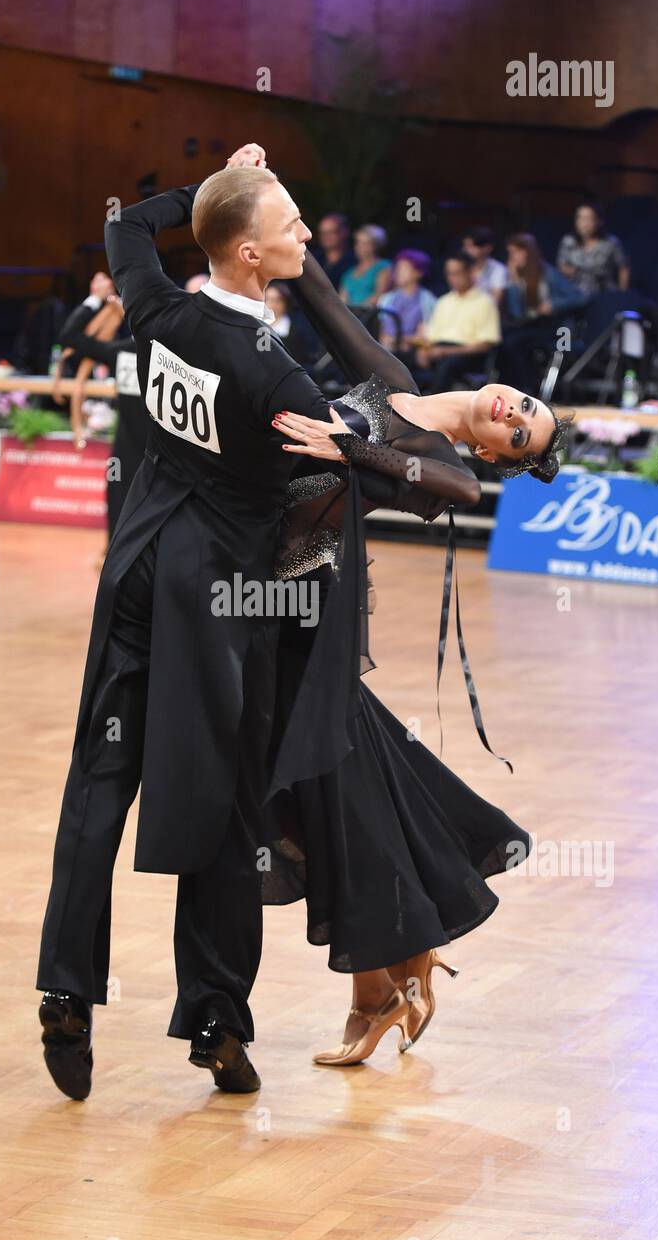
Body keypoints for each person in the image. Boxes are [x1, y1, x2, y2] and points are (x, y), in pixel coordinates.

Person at [34, 145, 422, 1098]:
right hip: (218, 603)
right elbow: (363, 450)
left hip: (134, 571)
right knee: (224, 805)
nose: (304, 234)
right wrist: (393, 445)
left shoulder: (159, 304)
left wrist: (211, 186)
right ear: (249, 253)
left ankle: (65, 993)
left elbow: (128, 222)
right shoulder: (274, 375)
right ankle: (214, 1017)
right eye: (289, 224)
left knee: (99, 782)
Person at [263, 250, 571, 1063]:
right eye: (525, 407)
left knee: (326, 790)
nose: (511, 412)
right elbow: (320, 292)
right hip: (262, 592)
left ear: (501, 453)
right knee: (353, 786)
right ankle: (402, 962)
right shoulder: (388, 377)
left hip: (309, 609)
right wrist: (265, 195)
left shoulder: (450, 471)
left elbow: (457, 494)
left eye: (518, 432)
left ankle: (387, 978)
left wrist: (347, 447)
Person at [53, 271, 145, 537]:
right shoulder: (123, 351)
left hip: (164, 454)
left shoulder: (176, 351)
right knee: (117, 496)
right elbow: (70, 337)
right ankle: (114, 553)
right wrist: (94, 300)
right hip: (127, 450)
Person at [498, 233, 584, 392]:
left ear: (525, 252)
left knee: (514, 343)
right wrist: (515, 282)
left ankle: (527, 388)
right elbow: (517, 315)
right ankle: (519, 387)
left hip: (554, 327)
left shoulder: (548, 273)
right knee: (506, 341)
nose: (511, 257)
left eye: (514, 253)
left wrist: (554, 305)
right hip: (529, 325)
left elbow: (579, 297)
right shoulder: (515, 277)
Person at [415, 252, 501, 393]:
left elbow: (485, 345)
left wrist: (446, 351)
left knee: (448, 364)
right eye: (449, 274)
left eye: (457, 273)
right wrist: (422, 350)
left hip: (467, 354)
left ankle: (428, 404)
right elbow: (431, 336)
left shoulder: (485, 302)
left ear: (470, 272)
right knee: (400, 356)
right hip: (438, 349)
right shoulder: (443, 301)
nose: (452, 278)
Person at [556, 203, 630, 297]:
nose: (583, 223)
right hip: (574, 294)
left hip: (604, 292)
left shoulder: (611, 242)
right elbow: (561, 267)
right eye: (580, 218)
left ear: (599, 221)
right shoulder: (568, 241)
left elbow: (624, 267)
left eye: (587, 218)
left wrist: (622, 294)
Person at [376, 249, 437, 352]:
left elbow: (425, 335)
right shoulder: (387, 299)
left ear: (418, 272)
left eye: (404, 268)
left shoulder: (427, 300)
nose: (398, 272)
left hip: (411, 351)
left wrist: (402, 341)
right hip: (386, 349)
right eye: (397, 268)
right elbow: (380, 331)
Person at [339, 225, 392, 306]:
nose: (360, 247)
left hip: (371, 315)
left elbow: (380, 295)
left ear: (376, 245)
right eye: (358, 242)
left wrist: (357, 312)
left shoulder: (384, 267)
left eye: (365, 243)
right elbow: (342, 299)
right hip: (349, 315)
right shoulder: (349, 272)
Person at [462, 226, 508, 304]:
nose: (466, 250)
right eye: (465, 246)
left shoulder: (498, 269)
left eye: (471, 246)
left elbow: (495, 301)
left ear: (487, 248)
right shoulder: (462, 267)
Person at [312, 212, 355, 289]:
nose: (326, 237)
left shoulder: (356, 261)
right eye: (322, 233)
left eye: (331, 232)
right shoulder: (313, 258)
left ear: (345, 232)